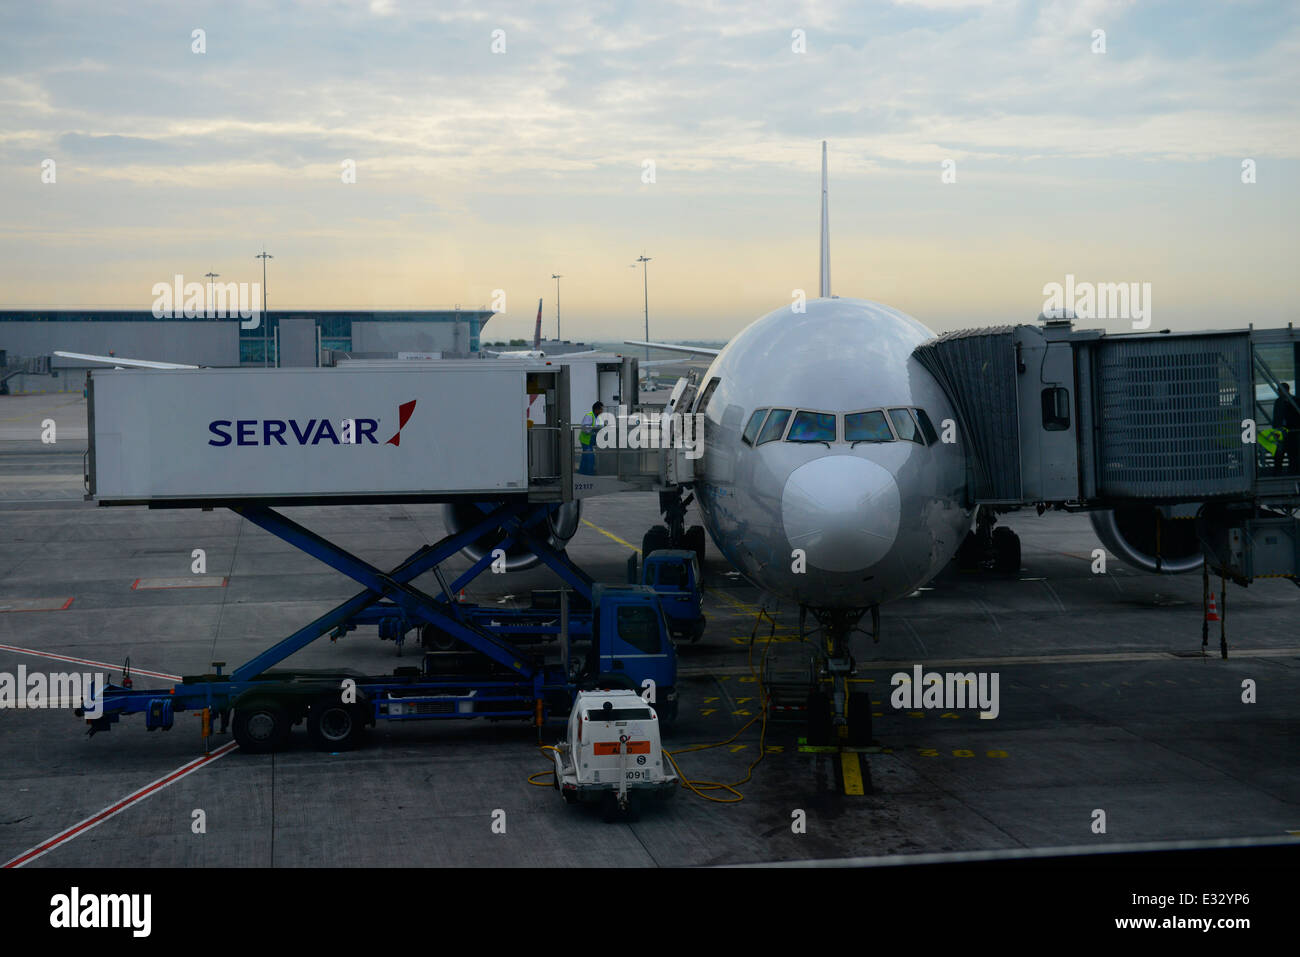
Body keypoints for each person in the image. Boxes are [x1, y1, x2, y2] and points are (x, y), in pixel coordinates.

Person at [1272, 382, 1300, 475]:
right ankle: (1278, 472)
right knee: (1280, 454)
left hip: (1291, 432)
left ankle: (1292, 471)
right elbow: (1276, 417)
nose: (1279, 392)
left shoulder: (1294, 401)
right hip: (1282, 432)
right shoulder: (1279, 402)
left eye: (1279, 390)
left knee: (1291, 453)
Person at [579, 400, 603, 475]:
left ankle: (582, 473)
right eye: (601, 409)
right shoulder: (589, 416)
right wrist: (594, 428)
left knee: (585, 458)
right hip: (586, 441)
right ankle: (589, 474)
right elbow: (585, 428)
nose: (602, 411)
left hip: (590, 441)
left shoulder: (597, 417)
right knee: (589, 458)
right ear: (596, 409)